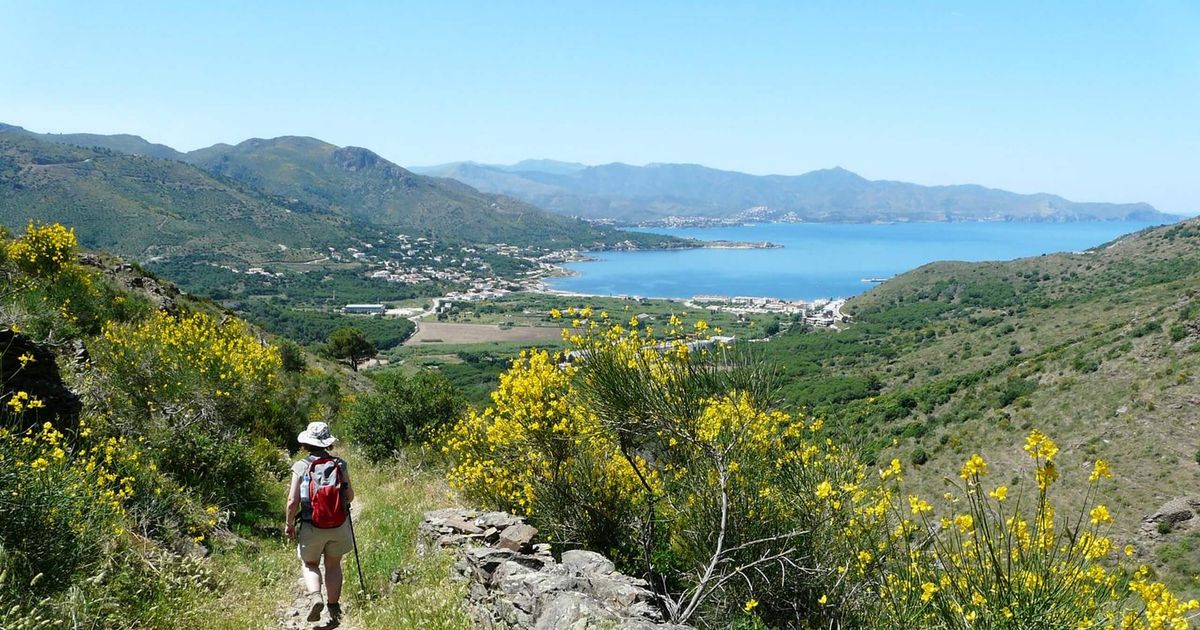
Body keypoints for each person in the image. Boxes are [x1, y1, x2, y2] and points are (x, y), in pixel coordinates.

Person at [286, 421, 355, 623]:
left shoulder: (301, 467)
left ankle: (316, 597)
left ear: (307, 443)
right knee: (333, 565)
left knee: (310, 563)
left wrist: (289, 524)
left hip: (311, 525)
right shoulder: (339, 464)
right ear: (327, 443)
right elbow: (350, 496)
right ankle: (334, 609)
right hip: (338, 524)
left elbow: (292, 501)